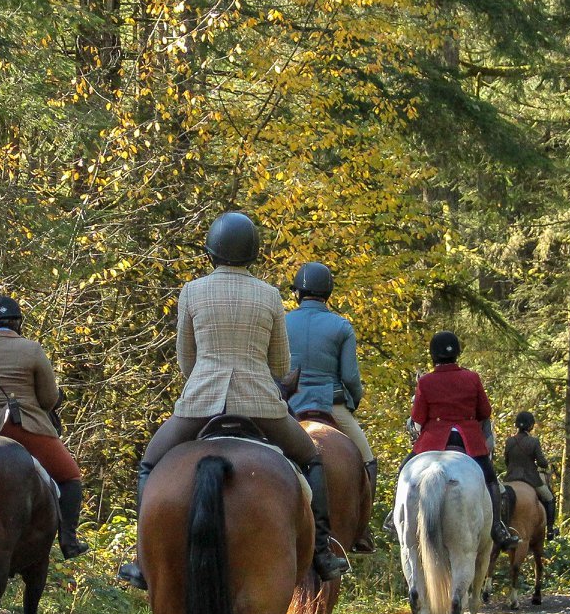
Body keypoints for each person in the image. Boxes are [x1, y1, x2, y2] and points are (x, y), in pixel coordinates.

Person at [118, 212, 350, 590]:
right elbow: (279, 364)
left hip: (200, 403)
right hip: (259, 403)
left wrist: (205, 380)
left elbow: (185, 359)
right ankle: (322, 551)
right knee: (312, 460)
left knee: (149, 463)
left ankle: (143, 559)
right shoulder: (269, 294)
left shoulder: (192, 291)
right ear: (253, 253)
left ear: (211, 251)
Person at [0, 293, 88, 559]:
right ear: (18, 324)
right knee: (70, 477)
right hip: (24, 428)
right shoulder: (33, 349)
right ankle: (69, 539)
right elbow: (49, 398)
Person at [283, 261, 377, 551]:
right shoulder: (341, 326)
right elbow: (350, 376)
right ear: (328, 294)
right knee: (367, 460)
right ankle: (361, 532)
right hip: (331, 405)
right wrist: (354, 399)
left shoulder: (283, 321)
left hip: (288, 409)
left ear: (298, 293)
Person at [408, 332, 519, 550]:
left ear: (433, 355)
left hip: (433, 441)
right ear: (457, 352)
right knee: (490, 481)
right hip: (468, 440)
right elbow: (485, 411)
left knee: (405, 471)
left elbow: (418, 418)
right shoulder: (472, 378)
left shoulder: (426, 381)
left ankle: (396, 517)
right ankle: (497, 527)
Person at [502, 411, 560, 539]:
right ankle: (550, 530)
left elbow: (506, 460)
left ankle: (499, 527)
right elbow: (542, 463)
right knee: (550, 498)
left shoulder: (509, 441)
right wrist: (545, 464)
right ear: (531, 426)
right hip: (530, 478)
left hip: (510, 478)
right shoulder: (534, 442)